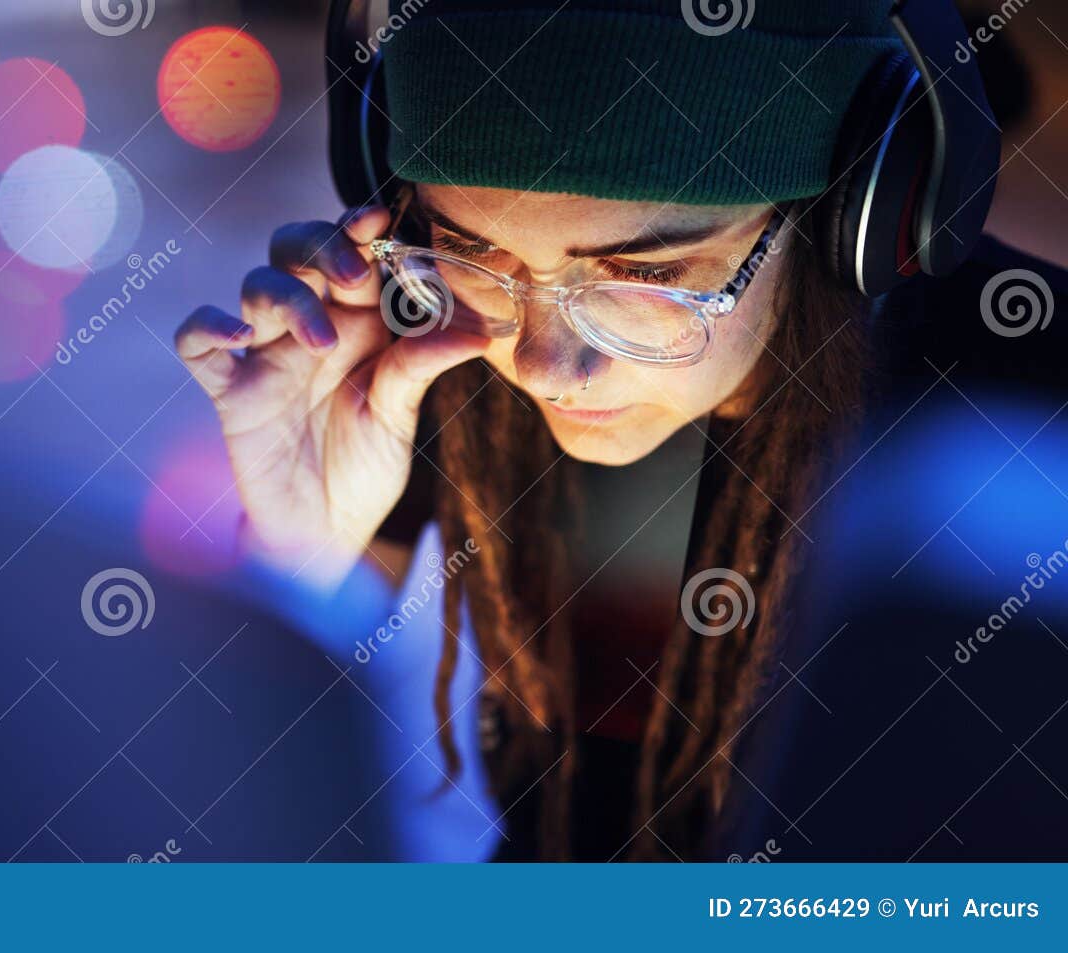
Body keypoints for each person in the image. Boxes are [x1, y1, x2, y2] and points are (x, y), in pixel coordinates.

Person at [177, 0, 1068, 860]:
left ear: (859, 217)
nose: (543, 366)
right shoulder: (438, 364)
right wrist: (309, 566)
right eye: (478, 258)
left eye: (643, 278)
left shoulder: (998, 467)